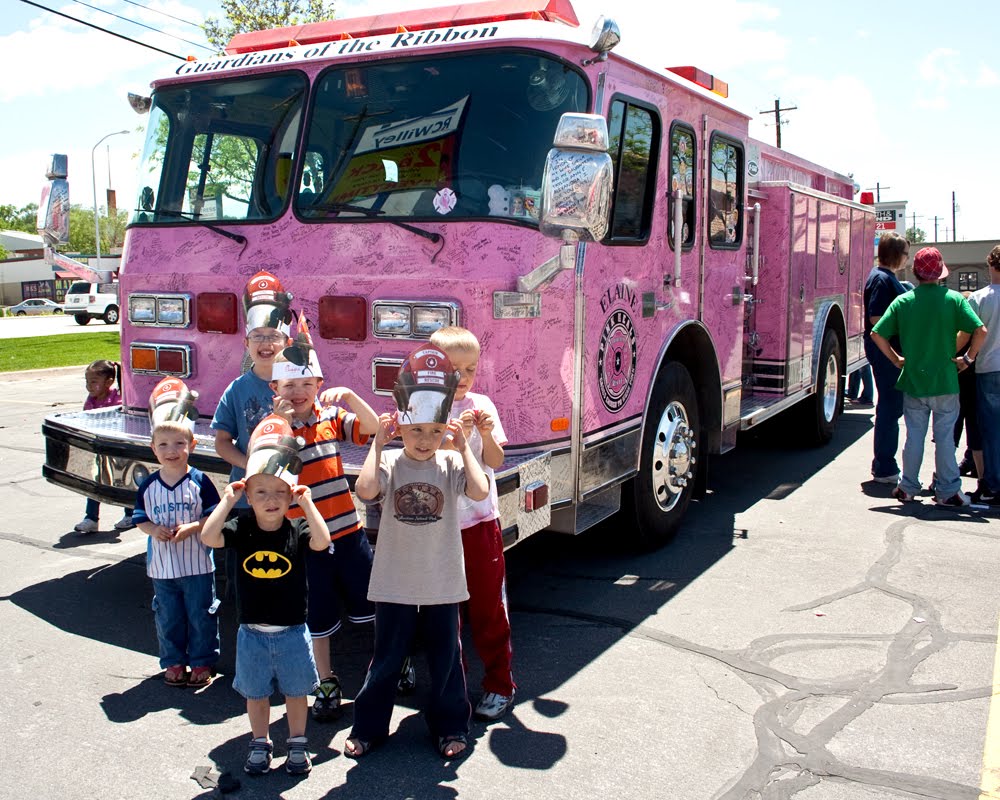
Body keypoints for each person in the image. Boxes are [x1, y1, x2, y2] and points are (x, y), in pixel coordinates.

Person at [345, 345, 490, 760]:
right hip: (395, 583)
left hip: (444, 583)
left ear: (445, 429)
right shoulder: (391, 463)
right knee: (386, 661)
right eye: (414, 431)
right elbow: (365, 490)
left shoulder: (450, 464)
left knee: (446, 663)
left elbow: (480, 491)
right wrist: (377, 443)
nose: (424, 440)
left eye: (433, 431)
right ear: (400, 430)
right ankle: (369, 727)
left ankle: (448, 726)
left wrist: (464, 446)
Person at [201, 414, 331, 777]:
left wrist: (308, 505)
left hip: (291, 632)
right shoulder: (240, 527)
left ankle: (297, 742)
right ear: (249, 496)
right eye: (260, 493)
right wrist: (228, 500)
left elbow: (323, 542)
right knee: (255, 695)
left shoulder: (297, 527)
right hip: (252, 633)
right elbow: (209, 538)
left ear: (290, 494)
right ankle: (260, 741)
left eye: (279, 492)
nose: (270, 499)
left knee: (295, 693)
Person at [269, 315, 378, 722]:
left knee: (370, 602)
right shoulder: (273, 427)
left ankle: (388, 663)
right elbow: (269, 466)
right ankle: (326, 680)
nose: (298, 392)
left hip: (348, 532)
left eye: (306, 384)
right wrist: (282, 422)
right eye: (289, 385)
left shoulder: (331, 419)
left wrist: (350, 396)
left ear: (318, 385)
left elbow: (371, 428)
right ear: (275, 389)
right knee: (318, 613)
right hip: (305, 539)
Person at [430, 326, 516, 721]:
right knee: (445, 613)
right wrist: (452, 439)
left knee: (488, 607)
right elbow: (427, 463)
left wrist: (483, 434)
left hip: (481, 522)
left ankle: (499, 684)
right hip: (438, 525)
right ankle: (453, 691)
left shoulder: (483, 405)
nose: (463, 378)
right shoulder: (426, 407)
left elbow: (496, 461)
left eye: (470, 368)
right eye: (454, 369)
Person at [870, 247, 986, 506]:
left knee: (914, 436)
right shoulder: (954, 299)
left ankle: (908, 486)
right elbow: (980, 330)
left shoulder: (903, 301)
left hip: (914, 379)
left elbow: (877, 333)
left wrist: (896, 359)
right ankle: (948, 491)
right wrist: (968, 358)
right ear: (941, 273)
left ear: (915, 272)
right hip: (945, 378)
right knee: (945, 438)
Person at [132, 378, 221, 687]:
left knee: (200, 615)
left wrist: (193, 528)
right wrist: (153, 529)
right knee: (168, 617)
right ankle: (173, 661)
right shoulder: (148, 485)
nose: (172, 451)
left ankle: (201, 662)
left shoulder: (200, 482)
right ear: (153, 449)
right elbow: (140, 518)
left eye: (179, 444)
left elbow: (213, 518)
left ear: (192, 445)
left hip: (196, 565)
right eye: (164, 445)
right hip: (162, 569)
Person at [211, 271, 293, 512]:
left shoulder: (298, 386)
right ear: (246, 343)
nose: (265, 344)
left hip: (288, 494)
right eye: (257, 336)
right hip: (246, 494)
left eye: (273, 336)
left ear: (287, 343)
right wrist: (250, 464)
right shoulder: (236, 389)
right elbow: (222, 441)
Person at [864, 232, 910, 483]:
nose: (908, 259)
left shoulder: (881, 277)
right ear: (895, 255)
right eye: (905, 254)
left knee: (890, 407)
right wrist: (894, 356)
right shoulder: (883, 280)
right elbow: (876, 320)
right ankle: (884, 466)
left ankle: (884, 464)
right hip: (886, 353)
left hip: (886, 352)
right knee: (890, 408)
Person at [74, 360, 134, 532]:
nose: (89, 386)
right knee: (95, 482)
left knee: (123, 481)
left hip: (117, 449)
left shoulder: (117, 399)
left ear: (109, 382)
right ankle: (91, 518)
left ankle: (130, 514)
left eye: (93, 382)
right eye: (87, 382)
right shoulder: (91, 400)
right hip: (99, 449)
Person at [968, 245, 1000, 504]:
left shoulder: (977, 299)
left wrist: (965, 359)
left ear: (990, 266)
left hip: (987, 368)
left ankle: (993, 485)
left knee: (990, 431)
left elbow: (968, 336)